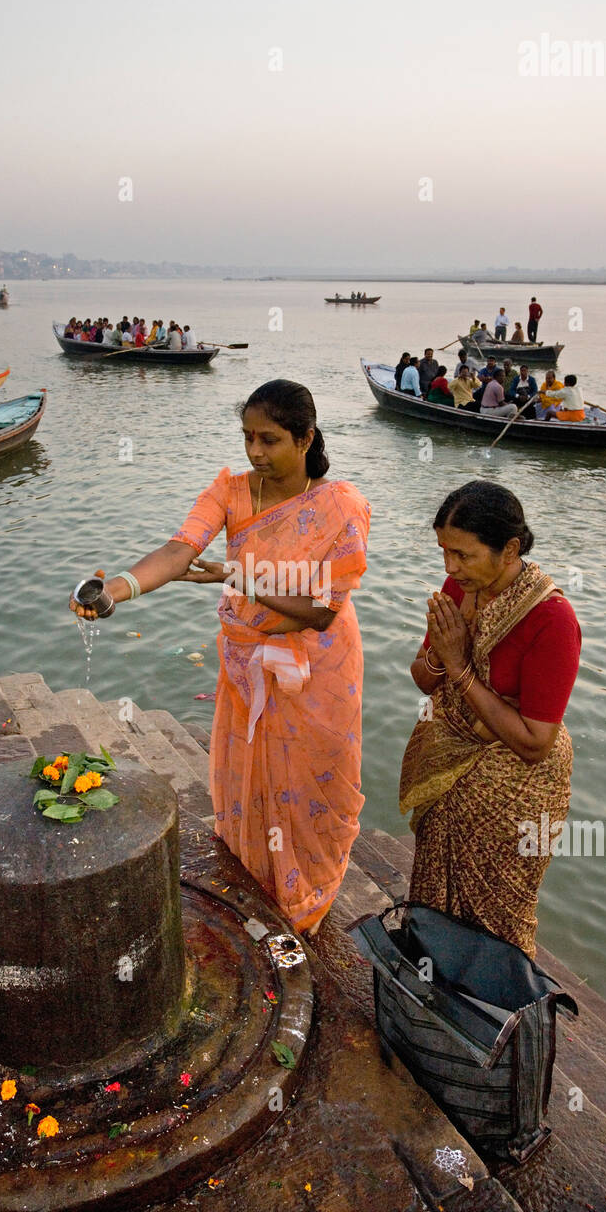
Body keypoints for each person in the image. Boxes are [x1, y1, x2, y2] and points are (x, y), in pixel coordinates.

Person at [70, 379, 370, 936]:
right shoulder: (231, 491)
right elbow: (179, 550)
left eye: (270, 440)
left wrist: (239, 576)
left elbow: (322, 612)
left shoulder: (341, 506)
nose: (255, 452)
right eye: (248, 437)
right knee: (249, 781)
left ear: (305, 439)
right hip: (246, 661)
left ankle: (308, 890)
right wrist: (114, 589)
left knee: (312, 787)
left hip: (319, 668)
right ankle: (260, 875)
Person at [400, 481, 581, 957]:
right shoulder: (457, 588)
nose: (450, 568)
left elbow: (534, 741)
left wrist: (458, 667)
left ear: (510, 549)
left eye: (463, 554)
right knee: (436, 897)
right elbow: (423, 679)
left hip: (515, 788)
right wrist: (442, 658)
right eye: (444, 552)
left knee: (496, 917)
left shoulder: (552, 619)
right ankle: (433, 997)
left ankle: (492, 1011)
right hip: (451, 762)